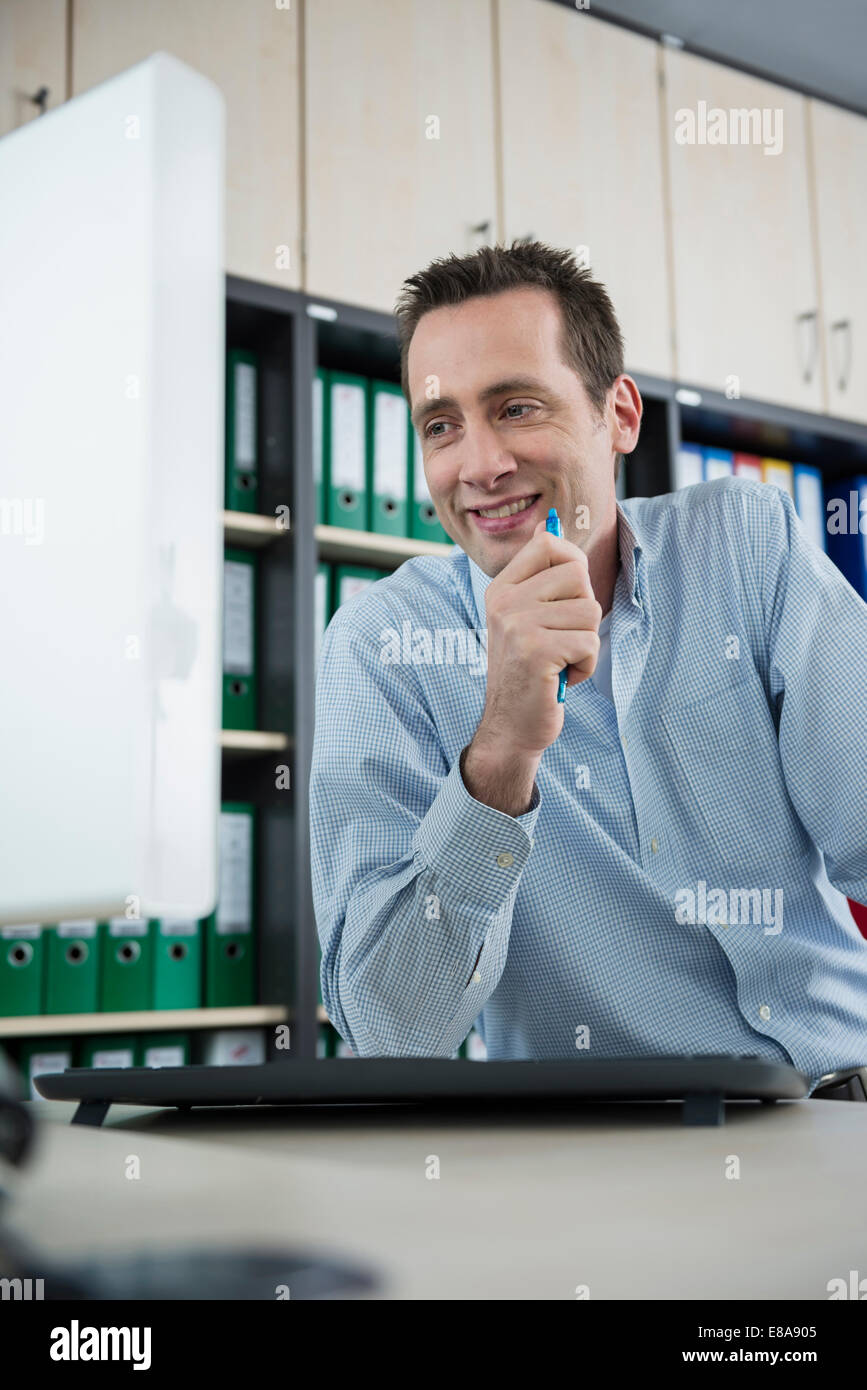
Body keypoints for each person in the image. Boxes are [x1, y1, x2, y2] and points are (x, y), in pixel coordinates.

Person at [310, 240, 867, 1091]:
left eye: (518, 407)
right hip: (607, 1150)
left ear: (619, 416)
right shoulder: (380, 645)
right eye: (440, 425)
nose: (479, 465)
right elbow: (393, 1026)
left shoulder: (747, 547)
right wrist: (498, 757)